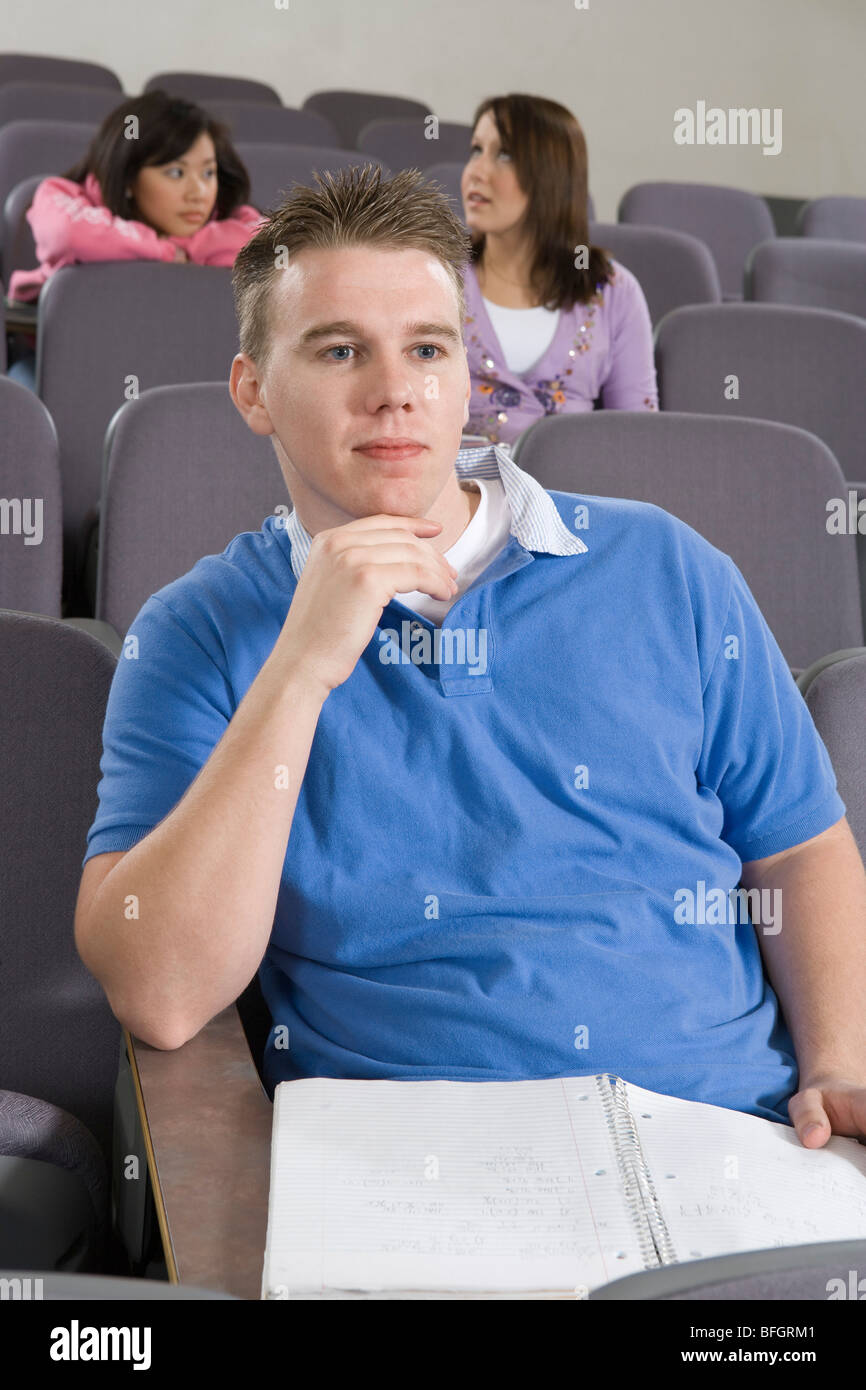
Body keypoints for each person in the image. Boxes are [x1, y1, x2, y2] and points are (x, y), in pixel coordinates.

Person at [75, 164, 866, 1152]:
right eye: (337, 349)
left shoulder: (666, 565)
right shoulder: (195, 629)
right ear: (253, 392)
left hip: (723, 1137)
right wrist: (301, 666)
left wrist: (839, 1063)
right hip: (412, 1172)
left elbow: (795, 845)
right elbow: (160, 993)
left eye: (427, 348)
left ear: (467, 378)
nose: (394, 391)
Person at [6, 90, 262, 387]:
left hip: (184, 379)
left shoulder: (235, 219)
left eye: (208, 173)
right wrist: (167, 252)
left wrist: (186, 249)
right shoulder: (61, 196)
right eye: (176, 172)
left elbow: (276, 250)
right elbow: (70, 235)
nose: (199, 193)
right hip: (71, 376)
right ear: (128, 179)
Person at [458, 94, 658, 446]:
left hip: (566, 497)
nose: (476, 171)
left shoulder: (613, 291)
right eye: (477, 150)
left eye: (504, 155)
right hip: (453, 494)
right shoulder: (437, 274)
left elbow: (638, 442)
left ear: (551, 177)